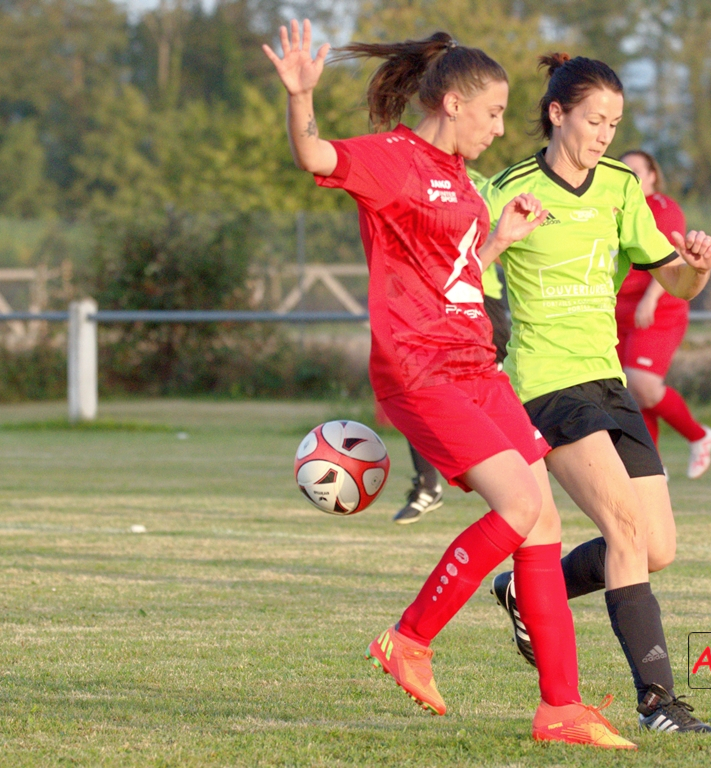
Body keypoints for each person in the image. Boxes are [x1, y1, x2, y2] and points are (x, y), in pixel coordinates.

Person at [263, 21, 635, 748]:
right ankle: (409, 638)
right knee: (522, 503)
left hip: (473, 361)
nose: (502, 127)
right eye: (494, 112)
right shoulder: (392, 161)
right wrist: (301, 98)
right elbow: (313, 153)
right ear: (456, 102)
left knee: (547, 522)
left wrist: (499, 241)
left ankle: (560, 709)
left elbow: (450, 272)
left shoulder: (461, 179)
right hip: (419, 366)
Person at [479, 53, 711, 734]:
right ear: (557, 114)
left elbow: (675, 282)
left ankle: (530, 587)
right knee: (624, 529)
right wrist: (497, 245)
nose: (605, 134)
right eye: (594, 120)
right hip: (548, 387)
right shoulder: (512, 187)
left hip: (609, 382)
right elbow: (464, 274)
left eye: (615, 122)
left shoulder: (619, 187)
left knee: (659, 548)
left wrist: (699, 269)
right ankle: (658, 702)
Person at [394, 169, 512, 524]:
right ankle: (428, 486)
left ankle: (527, 474)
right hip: (429, 301)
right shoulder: (410, 175)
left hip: (481, 301)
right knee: (415, 387)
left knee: (502, 396)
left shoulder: (480, 183)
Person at [615, 150, 711, 479]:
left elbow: (672, 257)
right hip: (619, 311)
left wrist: (649, 299)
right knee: (629, 392)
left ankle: (699, 436)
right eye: (624, 170)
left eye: (637, 170)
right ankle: (653, 466)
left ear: (653, 175)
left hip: (659, 307)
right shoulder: (615, 207)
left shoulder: (661, 207)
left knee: (643, 384)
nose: (632, 176)